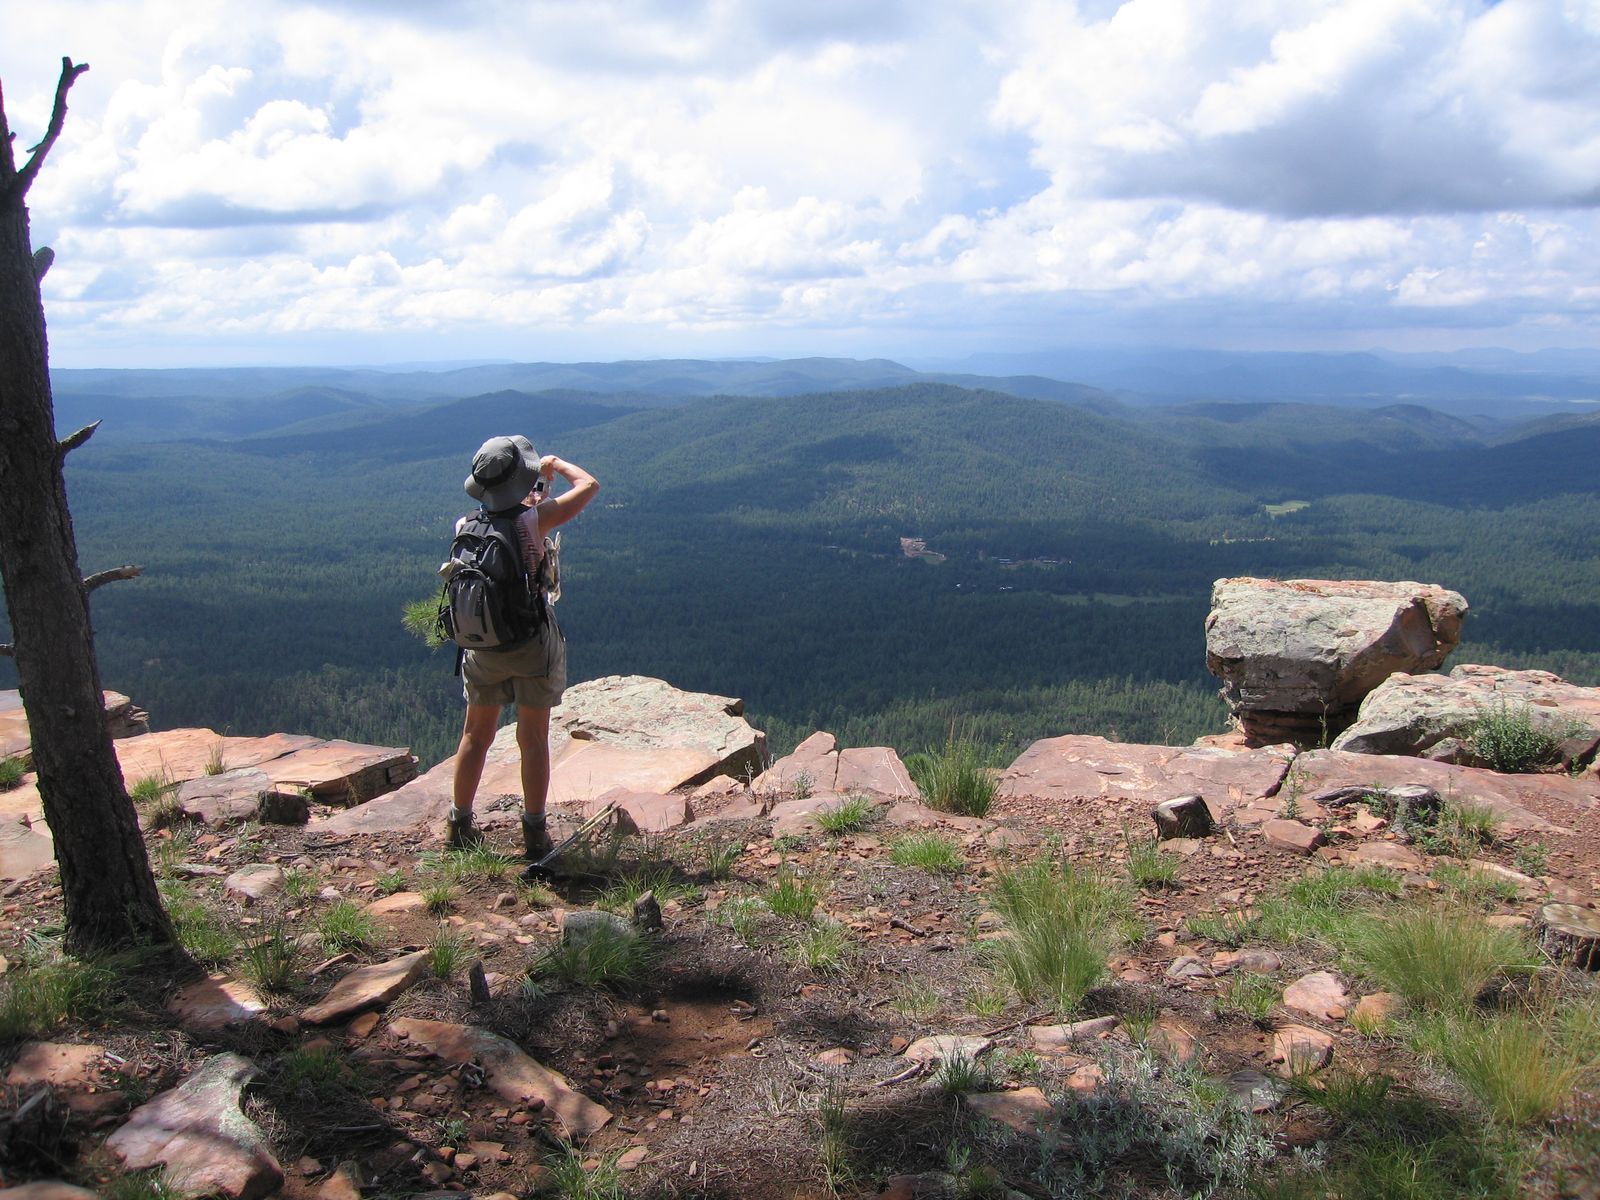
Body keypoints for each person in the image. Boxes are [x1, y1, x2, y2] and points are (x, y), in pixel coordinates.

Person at [445, 434, 599, 858]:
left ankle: (458, 825)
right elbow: (589, 486)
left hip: (482, 648)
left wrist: (532, 489)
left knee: (475, 736)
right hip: (531, 644)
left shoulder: (465, 527)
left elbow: (506, 517)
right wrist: (554, 464)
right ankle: (534, 834)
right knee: (532, 740)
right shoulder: (535, 522)